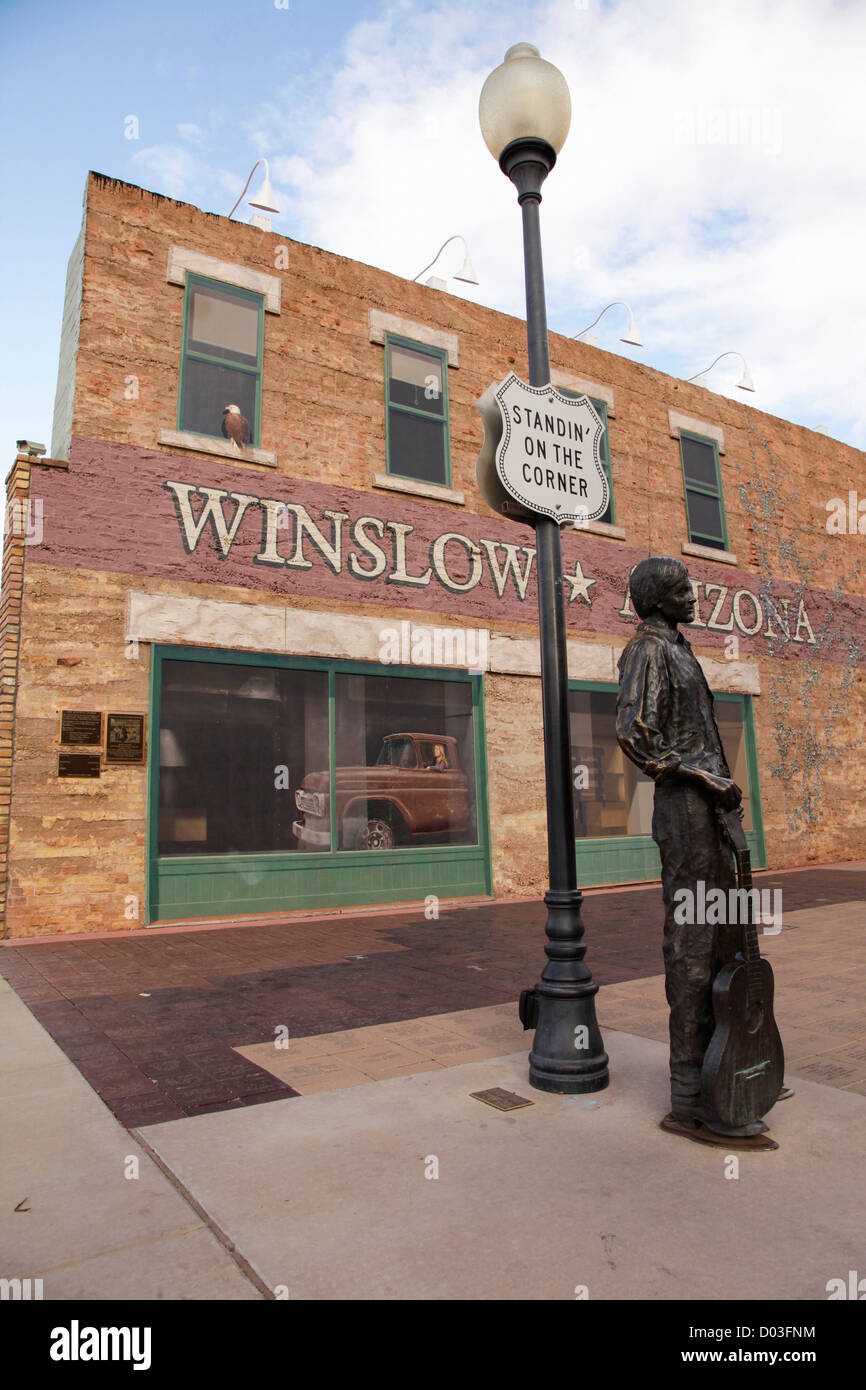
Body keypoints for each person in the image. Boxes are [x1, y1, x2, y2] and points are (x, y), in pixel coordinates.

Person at [616, 556, 766, 1144]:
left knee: (726, 929)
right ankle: (688, 1095)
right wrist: (704, 779)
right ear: (657, 598)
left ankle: (727, 1062)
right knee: (693, 939)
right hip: (684, 810)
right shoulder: (647, 650)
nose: (693, 594)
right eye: (681, 588)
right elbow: (635, 733)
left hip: (711, 809)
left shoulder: (678, 648)